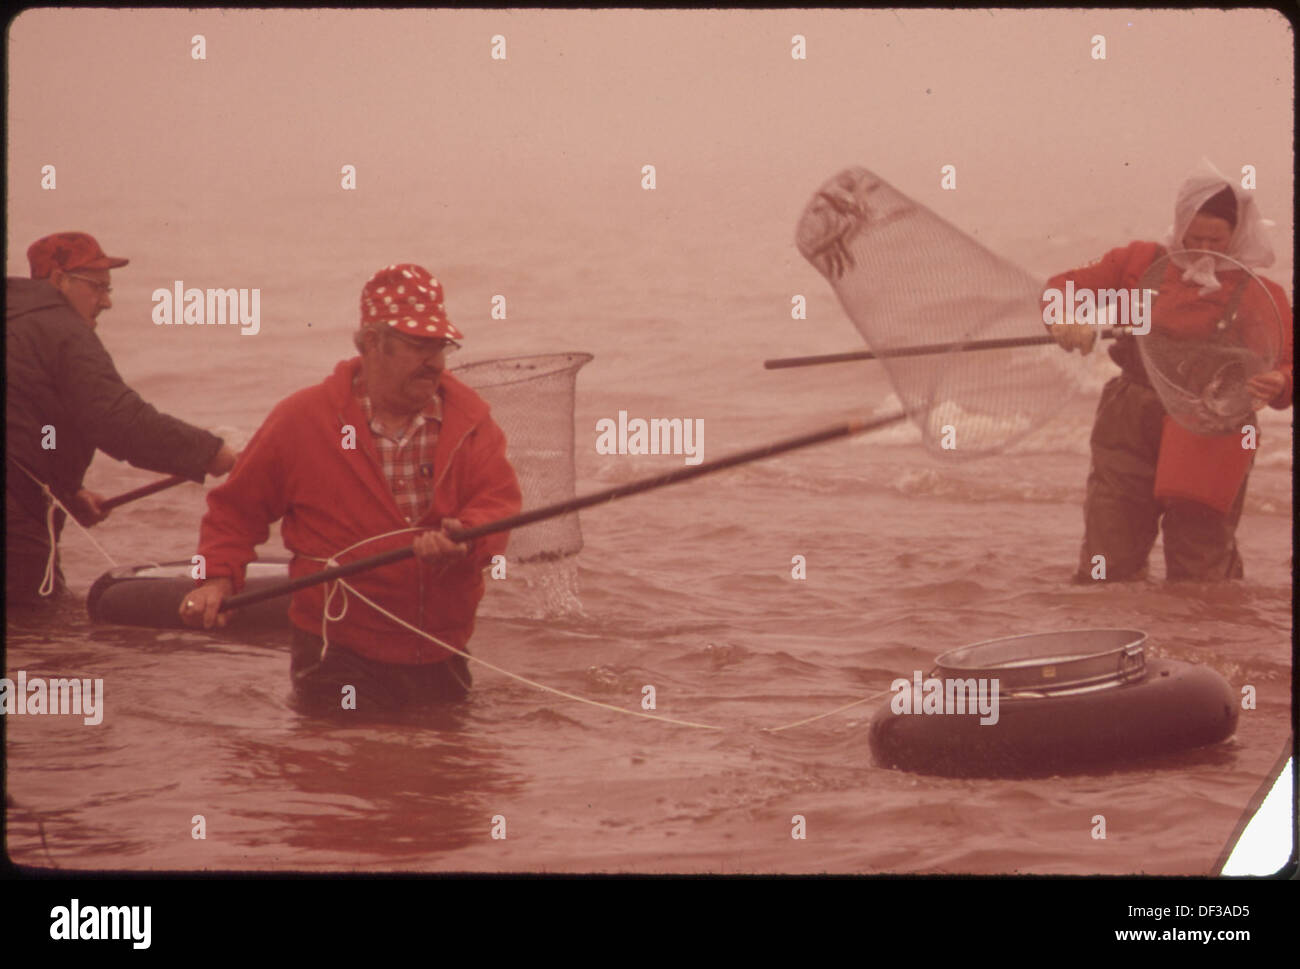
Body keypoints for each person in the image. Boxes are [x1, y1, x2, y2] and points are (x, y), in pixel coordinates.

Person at [181, 264, 522, 712]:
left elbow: (498, 505)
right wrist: (217, 579)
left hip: (441, 647)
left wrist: (467, 538)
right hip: (336, 652)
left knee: (448, 771)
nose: (436, 362)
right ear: (372, 343)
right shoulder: (301, 419)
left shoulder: (473, 424)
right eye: (420, 345)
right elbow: (235, 510)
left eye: (442, 346)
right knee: (344, 771)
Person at [1046, 168, 1292, 581]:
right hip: (1129, 416)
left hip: (1213, 423)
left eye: (1215, 241)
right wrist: (1064, 316)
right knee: (1109, 555)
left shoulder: (1257, 292)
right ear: (1179, 226)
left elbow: (1287, 361)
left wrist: (1282, 381)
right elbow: (1061, 288)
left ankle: (1196, 641)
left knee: (1200, 560)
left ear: (1238, 233)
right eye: (1193, 238)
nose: (1202, 249)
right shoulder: (1140, 261)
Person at [6, 232, 237, 605]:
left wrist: (66, 494)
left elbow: (21, 421)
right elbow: (118, 420)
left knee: (31, 639)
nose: (107, 301)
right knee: (40, 633)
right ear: (58, 279)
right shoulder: (60, 327)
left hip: (20, 500)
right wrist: (213, 453)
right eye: (97, 287)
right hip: (14, 521)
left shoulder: (20, 321)